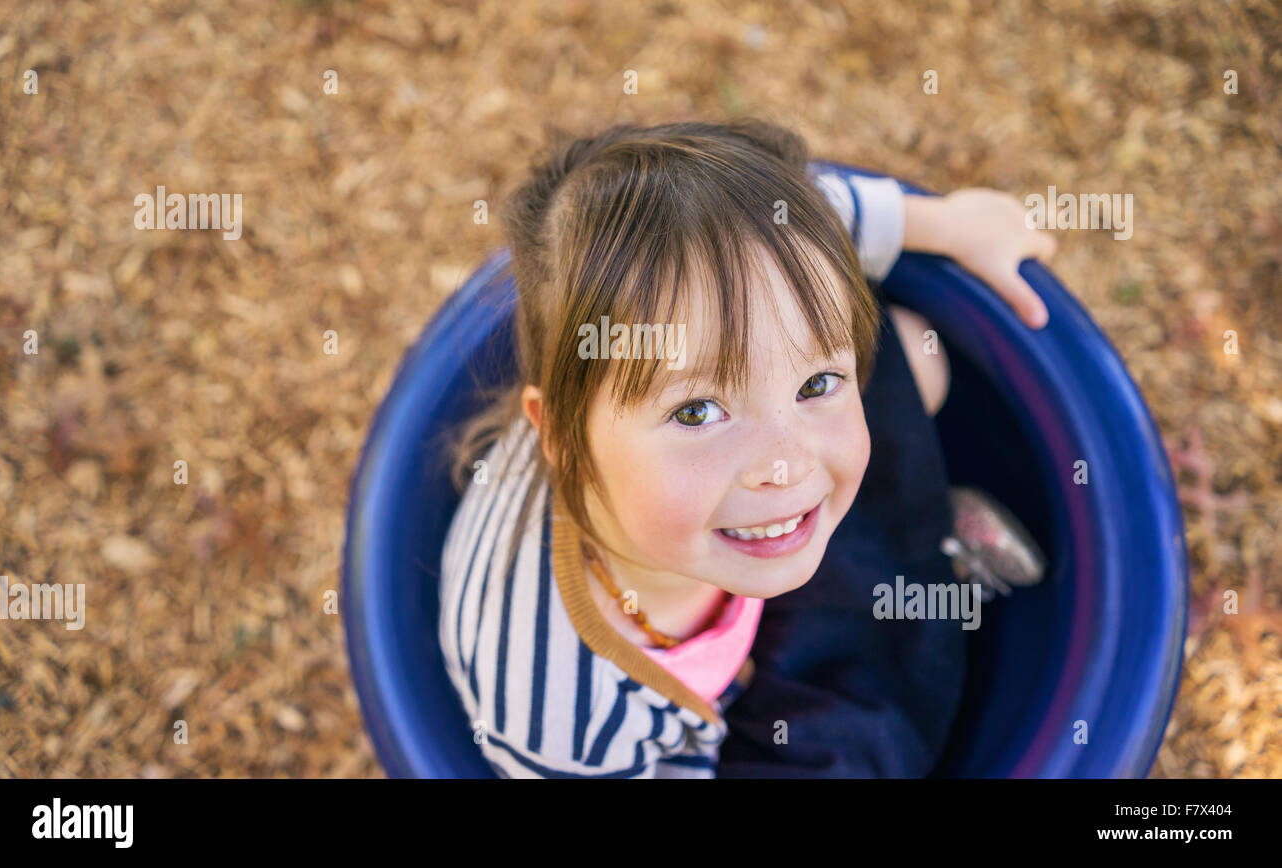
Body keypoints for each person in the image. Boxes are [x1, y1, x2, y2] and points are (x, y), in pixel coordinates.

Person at [437, 118, 1055, 777]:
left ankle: (920, 542)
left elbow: (812, 213)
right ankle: (918, 553)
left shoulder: (718, 467)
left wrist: (949, 225)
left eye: (818, 381)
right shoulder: (564, 716)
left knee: (913, 352)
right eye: (698, 411)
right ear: (563, 436)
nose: (782, 463)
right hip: (731, 722)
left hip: (722, 542)